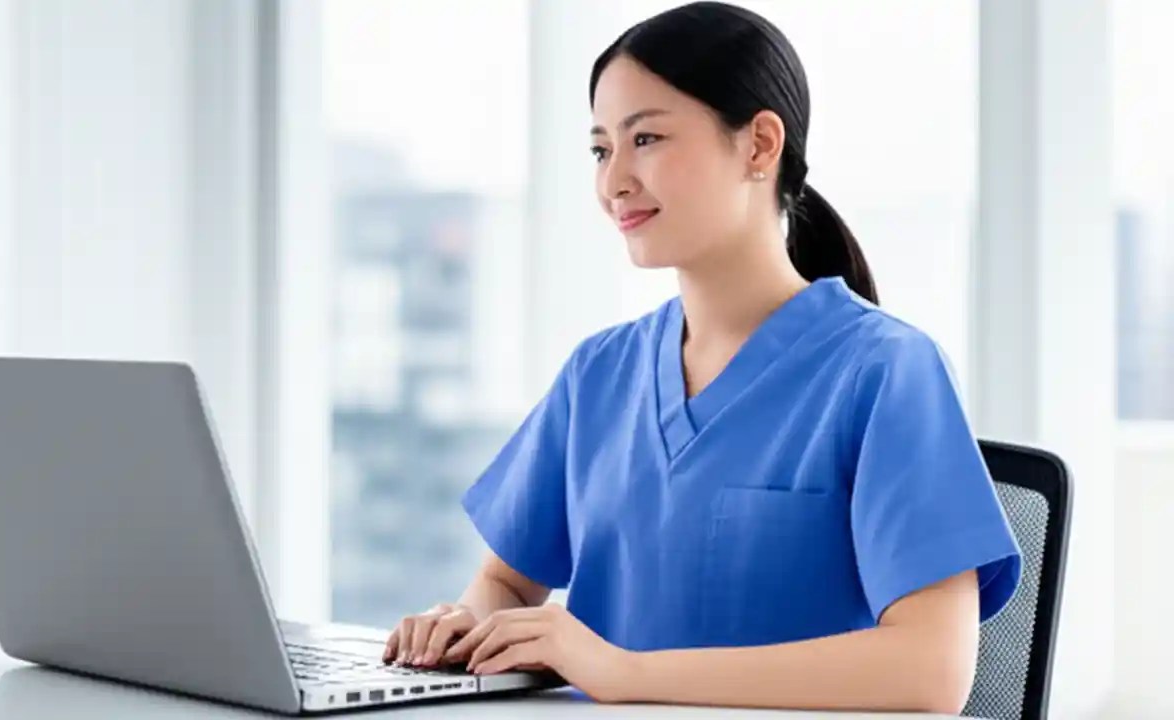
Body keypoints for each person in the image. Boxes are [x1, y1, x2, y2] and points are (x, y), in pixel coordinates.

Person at [382, 2, 1021, 713]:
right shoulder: (600, 373)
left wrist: (620, 672)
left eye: (646, 138)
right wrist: (471, 627)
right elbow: (506, 583)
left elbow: (930, 672)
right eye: (600, 149)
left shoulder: (887, 372)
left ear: (758, 145)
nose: (613, 180)